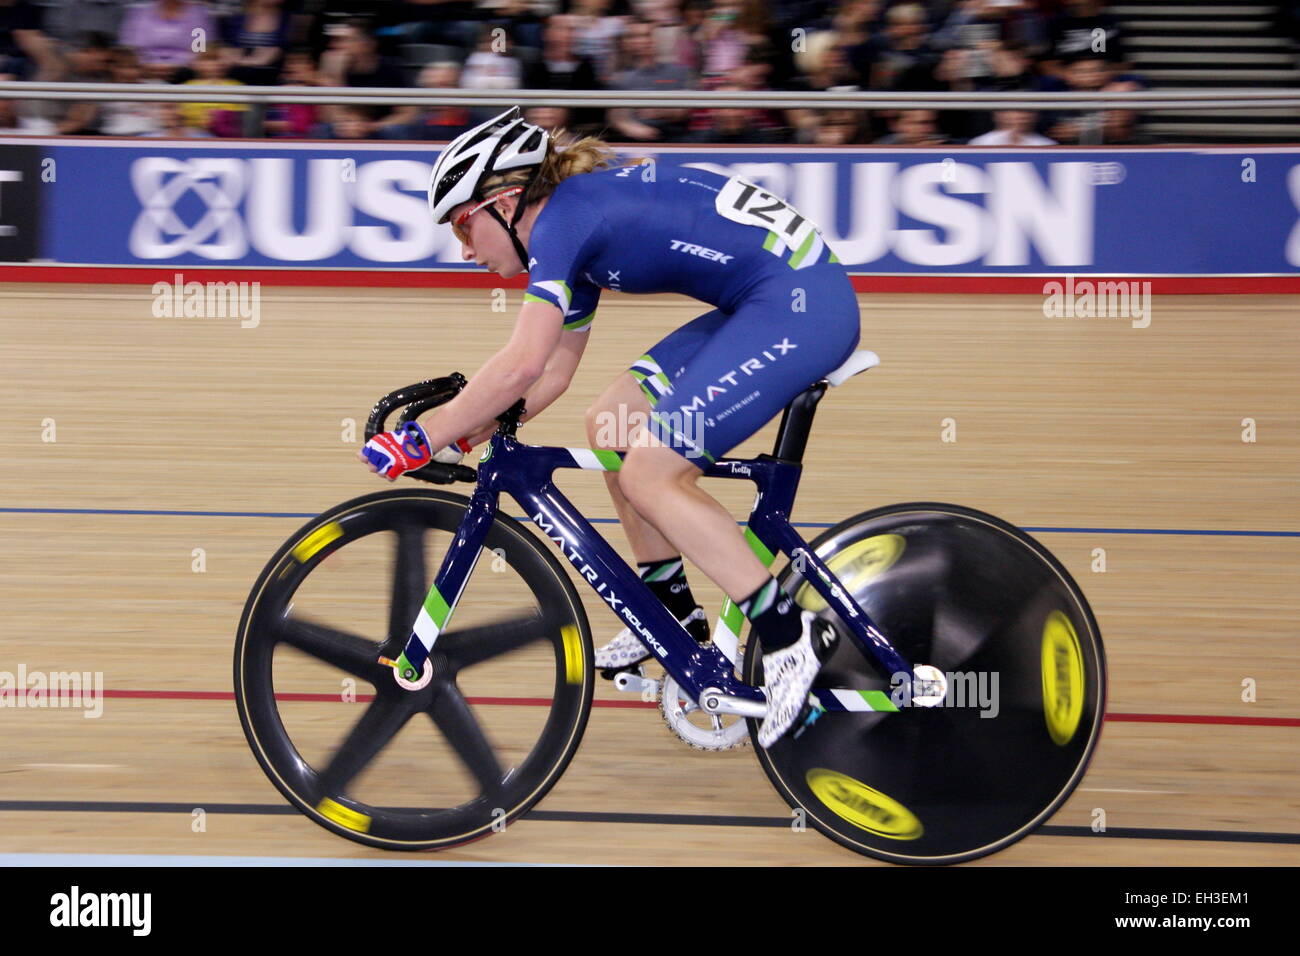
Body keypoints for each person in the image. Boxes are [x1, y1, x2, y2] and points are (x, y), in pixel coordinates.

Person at [362, 108, 861, 747]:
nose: (463, 248)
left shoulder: (566, 222)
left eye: (464, 224)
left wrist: (418, 439)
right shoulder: (574, 222)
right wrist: (465, 433)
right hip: (769, 298)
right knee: (612, 421)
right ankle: (674, 613)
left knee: (654, 473)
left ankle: (792, 634)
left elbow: (520, 364)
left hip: (799, 307)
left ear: (507, 202)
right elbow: (551, 377)